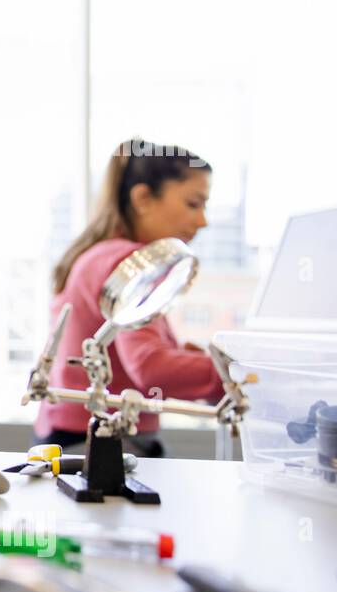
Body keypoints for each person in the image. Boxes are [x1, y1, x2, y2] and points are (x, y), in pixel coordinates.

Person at [35, 139, 224, 457]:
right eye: (193, 204)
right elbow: (150, 366)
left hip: (65, 437)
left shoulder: (98, 253)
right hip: (100, 445)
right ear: (143, 198)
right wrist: (240, 373)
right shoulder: (130, 263)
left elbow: (129, 356)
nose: (202, 221)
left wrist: (183, 358)